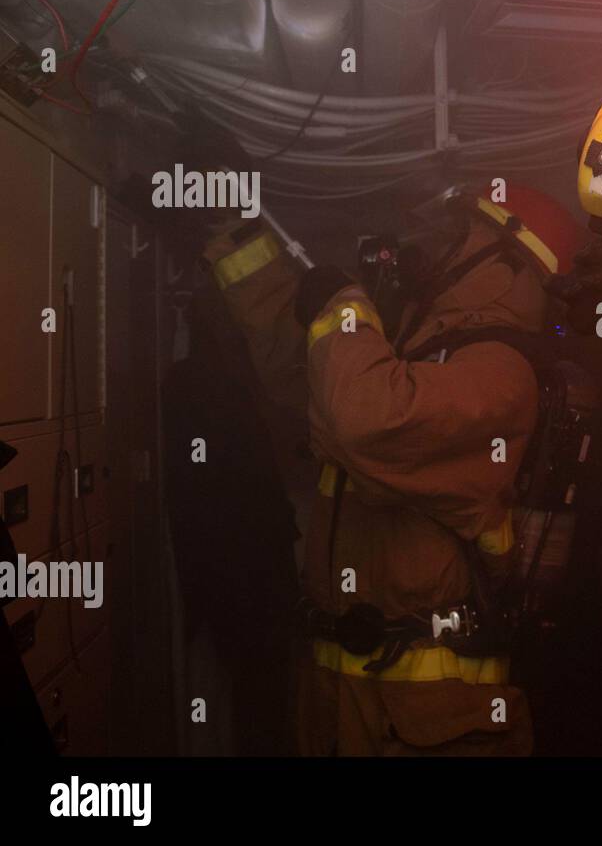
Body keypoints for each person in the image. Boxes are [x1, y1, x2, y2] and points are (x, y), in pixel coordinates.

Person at [204, 183, 578, 755]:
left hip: (424, 714)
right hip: (341, 696)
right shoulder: (411, 345)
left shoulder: (502, 371)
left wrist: (344, 307)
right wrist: (231, 221)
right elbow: (300, 375)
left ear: (507, 267)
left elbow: (366, 420)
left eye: (460, 236)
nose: (438, 247)